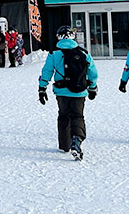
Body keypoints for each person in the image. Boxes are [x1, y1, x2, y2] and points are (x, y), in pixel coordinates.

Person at [38, 25, 99, 160]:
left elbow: (47, 72)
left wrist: (42, 88)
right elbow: (93, 72)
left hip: (61, 91)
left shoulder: (54, 53)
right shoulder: (83, 52)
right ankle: (76, 139)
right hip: (79, 91)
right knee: (77, 116)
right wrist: (92, 87)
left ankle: (65, 144)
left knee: (63, 115)